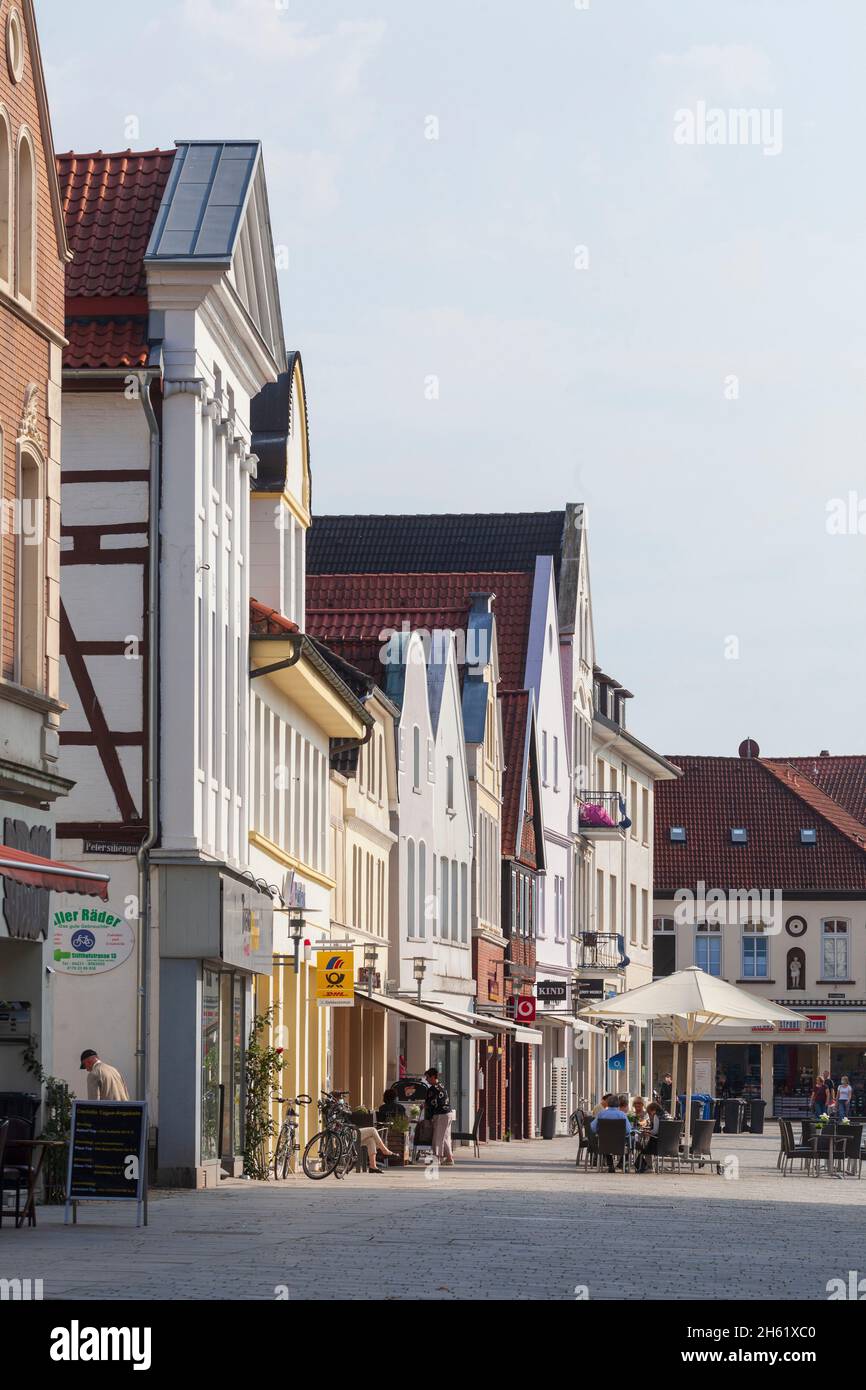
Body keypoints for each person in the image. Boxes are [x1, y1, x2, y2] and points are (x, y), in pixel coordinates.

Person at [591, 1095, 632, 1171]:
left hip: (604, 1143)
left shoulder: (601, 1114)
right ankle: (621, 1163)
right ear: (618, 1104)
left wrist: (600, 1132)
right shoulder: (622, 1115)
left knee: (606, 1139)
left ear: (608, 1103)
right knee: (631, 1141)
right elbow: (628, 1131)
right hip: (620, 1143)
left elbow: (593, 1128)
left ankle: (610, 1165)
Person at [424, 1067, 454, 1166]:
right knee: (445, 1137)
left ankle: (437, 1159)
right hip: (448, 1113)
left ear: (433, 1077)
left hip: (440, 1114)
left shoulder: (432, 1089)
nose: (426, 1080)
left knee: (437, 1137)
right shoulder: (441, 1086)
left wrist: (429, 1117)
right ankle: (449, 1158)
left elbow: (430, 1104)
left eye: (427, 1077)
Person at [636, 1102, 664, 1173]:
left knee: (644, 1149)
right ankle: (649, 1166)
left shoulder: (656, 1116)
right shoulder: (667, 1115)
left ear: (653, 1110)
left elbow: (655, 1131)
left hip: (657, 1144)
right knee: (646, 1147)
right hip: (668, 1143)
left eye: (649, 1113)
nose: (649, 1115)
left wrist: (648, 1132)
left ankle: (649, 1166)